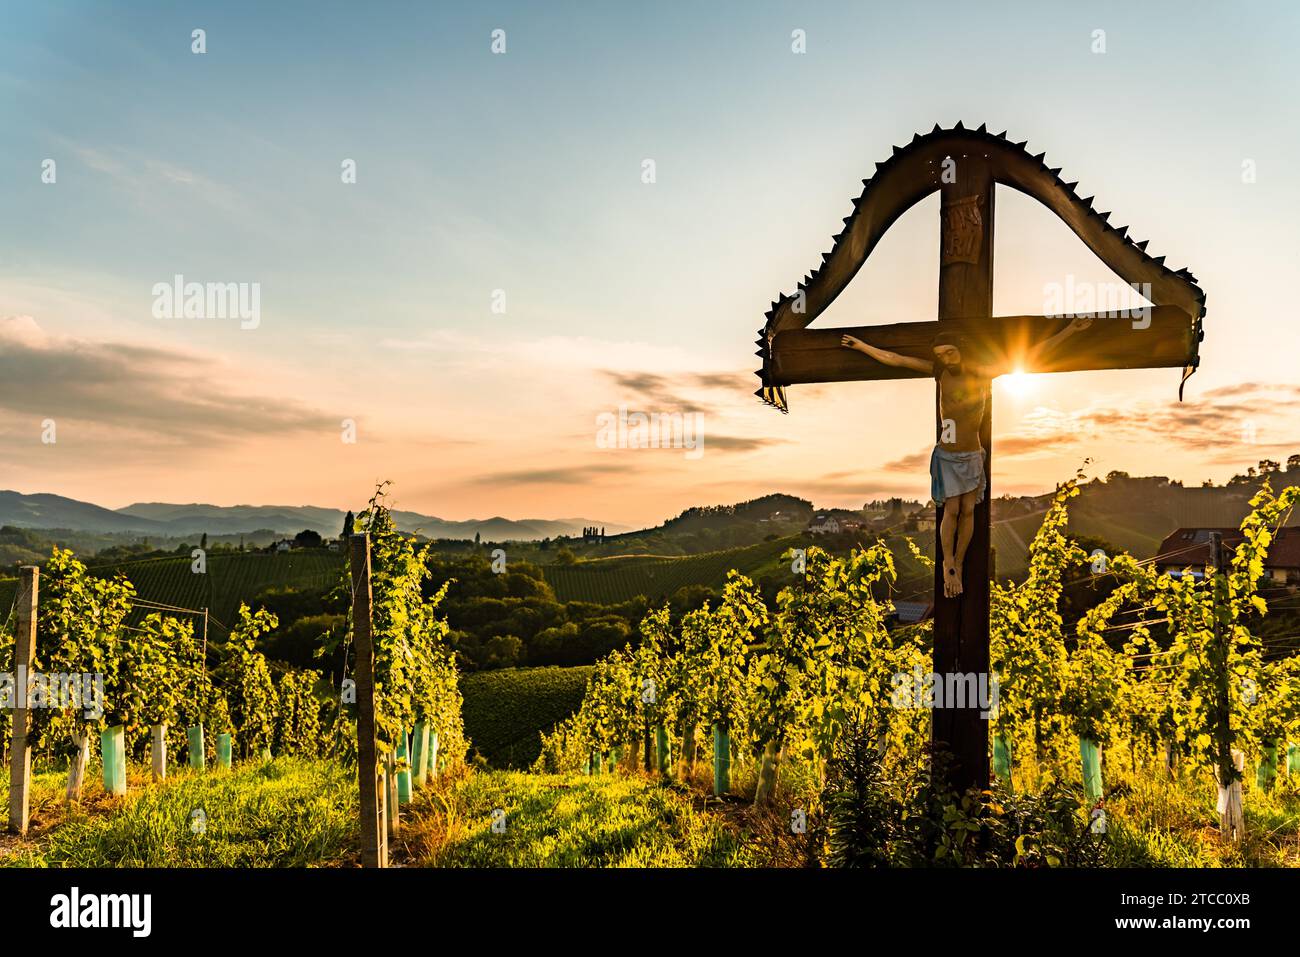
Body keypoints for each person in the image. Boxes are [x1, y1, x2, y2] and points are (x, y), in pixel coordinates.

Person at [841, 317, 1092, 597]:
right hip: (947, 455)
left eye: (950, 352)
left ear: (962, 349)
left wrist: (1069, 330)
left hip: (971, 455)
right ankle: (948, 562)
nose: (946, 359)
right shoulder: (939, 372)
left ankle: (958, 564)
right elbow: (896, 359)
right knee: (952, 510)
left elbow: (1032, 355)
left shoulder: (983, 372)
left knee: (968, 511)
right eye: (940, 355)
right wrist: (862, 346)